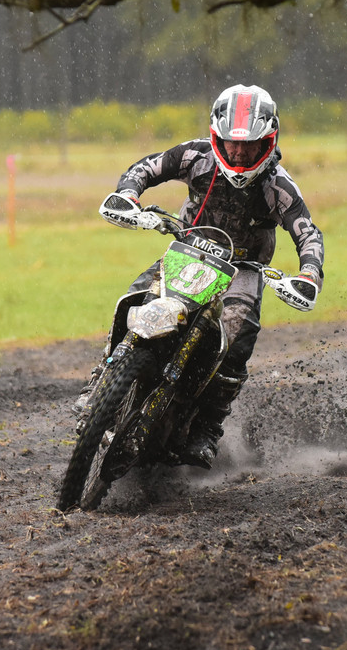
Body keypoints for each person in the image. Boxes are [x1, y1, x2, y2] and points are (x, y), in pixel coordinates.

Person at [85, 83, 324, 468]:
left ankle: (207, 430)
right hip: (188, 249)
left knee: (239, 335)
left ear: (269, 140)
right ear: (217, 136)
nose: (240, 151)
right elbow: (148, 167)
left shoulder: (278, 187)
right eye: (231, 143)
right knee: (137, 297)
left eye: (249, 145)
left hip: (243, 269)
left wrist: (309, 273)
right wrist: (128, 195)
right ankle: (103, 376)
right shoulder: (195, 156)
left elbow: (307, 233)